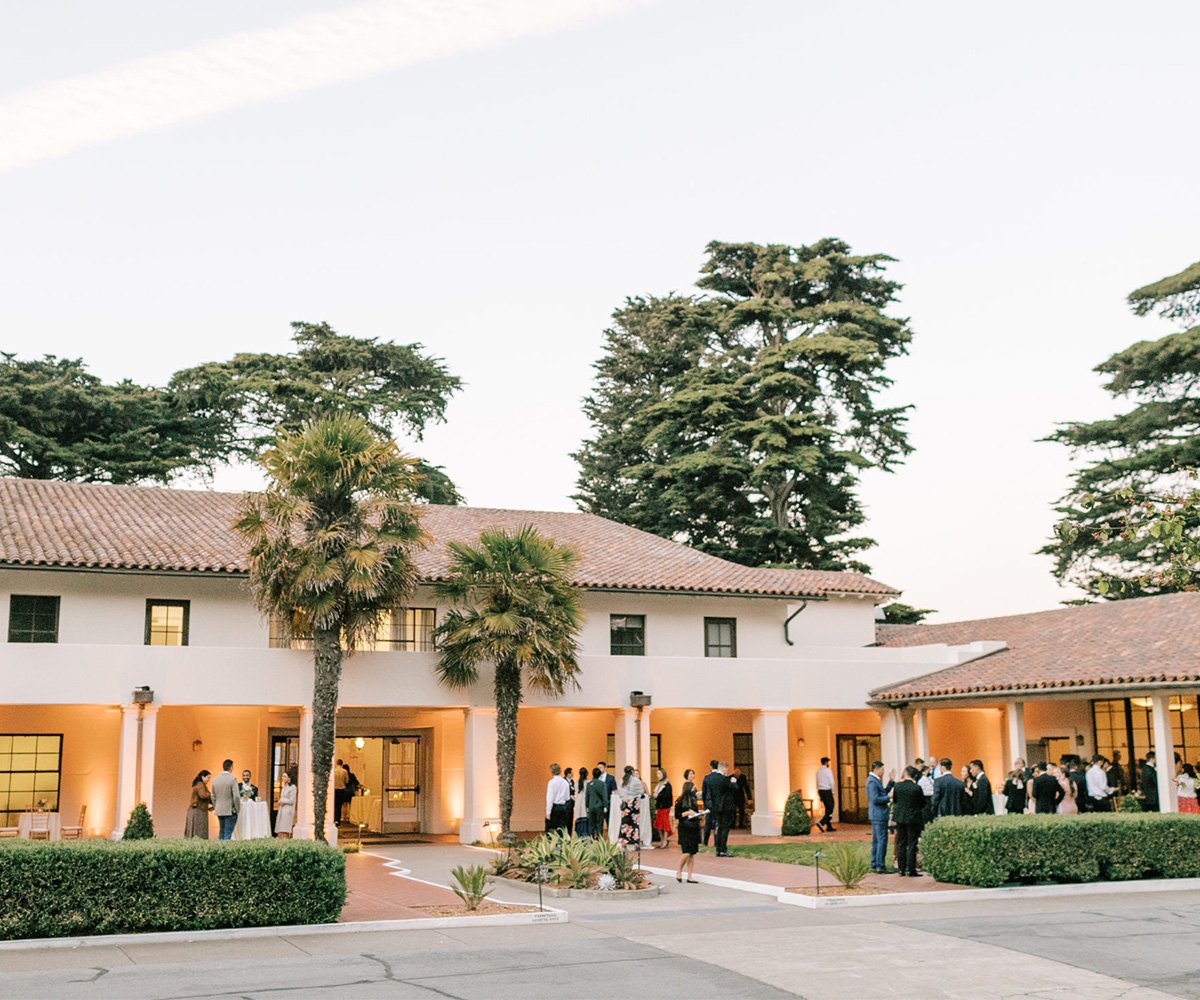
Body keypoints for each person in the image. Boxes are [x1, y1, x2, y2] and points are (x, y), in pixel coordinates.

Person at [891, 765, 927, 877]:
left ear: (905, 774)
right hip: (913, 818)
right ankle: (911, 869)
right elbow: (922, 803)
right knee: (912, 843)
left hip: (900, 817)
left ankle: (901, 869)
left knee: (901, 842)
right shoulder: (917, 788)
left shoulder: (897, 786)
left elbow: (895, 800)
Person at [866, 760, 894, 874]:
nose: (883, 772)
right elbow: (875, 799)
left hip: (877, 814)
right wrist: (889, 797)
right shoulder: (872, 781)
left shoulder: (875, 780)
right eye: (882, 769)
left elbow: (882, 792)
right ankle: (879, 865)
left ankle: (875, 863)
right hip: (879, 814)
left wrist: (891, 782)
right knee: (881, 840)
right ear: (876, 769)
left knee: (876, 840)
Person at [674, 775, 702, 883]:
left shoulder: (694, 801)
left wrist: (699, 815)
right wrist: (687, 813)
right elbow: (677, 815)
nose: (694, 790)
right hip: (685, 828)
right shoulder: (680, 801)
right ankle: (679, 871)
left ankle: (690, 876)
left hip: (694, 827)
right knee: (686, 852)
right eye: (693, 788)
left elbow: (695, 813)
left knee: (692, 853)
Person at [711, 761, 736, 857]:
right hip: (726, 807)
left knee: (719, 828)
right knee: (725, 828)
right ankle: (723, 849)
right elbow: (734, 788)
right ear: (724, 768)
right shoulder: (724, 779)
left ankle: (718, 848)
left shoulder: (713, 779)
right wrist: (733, 782)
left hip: (717, 806)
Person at [211, 759, 240, 840]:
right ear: (231, 767)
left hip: (219, 809)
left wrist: (216, 805)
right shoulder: (232, 779)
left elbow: (212, 795)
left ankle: (220, 846)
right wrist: (237, 808)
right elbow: (236, 796)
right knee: (228, 833)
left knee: (222, 831)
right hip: (230, 810)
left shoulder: (215, 779)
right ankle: (225, 847)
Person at [618, 764, 644, 849]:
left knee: (625, 822)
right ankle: (635, 841)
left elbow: (620, 792)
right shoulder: (636, 780)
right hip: (634, 803)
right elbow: (641, 791)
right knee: (635, 822)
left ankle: (623, 841)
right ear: (632, 771)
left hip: (626, 802)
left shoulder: (622, 780)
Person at [184, 770, 212, 838]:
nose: (209, 779)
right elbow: (203, 795)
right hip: (198, 811)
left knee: (193, 832)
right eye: (208, 777)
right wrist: (212, 795)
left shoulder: (197, 784)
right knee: (200, 831)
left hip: (194, 810)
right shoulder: (200, 785)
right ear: (203, 777)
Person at [545, 763, 572, 833]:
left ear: (552, 771)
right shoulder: (565, 782)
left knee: (550, 830)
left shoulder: (551, 783)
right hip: (563, 808)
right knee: (561, 830)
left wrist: (548, 812)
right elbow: (567, 797)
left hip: (554, 808)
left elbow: (550, 798)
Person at [701, 760, 722, 847]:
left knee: (708, 823)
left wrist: (705, 802)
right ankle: (717, 842)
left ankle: (705, 842)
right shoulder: (721, 778)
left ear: (711, 766)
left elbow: (704, 792)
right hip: (718, 803)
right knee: (717, 823)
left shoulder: (707, 778)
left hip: (709, 803)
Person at [652, 767, 673, 848]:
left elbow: (667, 796)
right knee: (658, 824)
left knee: (664, 823)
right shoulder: (659, 784)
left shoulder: (667, 785)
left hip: (665, 806)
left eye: (659, 773)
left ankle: (665, 840)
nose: (658, 775)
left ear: (663, 774)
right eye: (657, 773)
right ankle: (662, 839)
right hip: (659, 807)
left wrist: (658, 795)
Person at [586, 767, 608, 839]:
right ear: (600, 775)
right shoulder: (602, 784)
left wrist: (587, 806)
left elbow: (587, 796)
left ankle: (591, 838)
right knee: (599, 824)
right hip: (599, 806)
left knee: (591, 824)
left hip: (591, 806)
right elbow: (604, 796)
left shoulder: (589, 784)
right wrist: (605, 806)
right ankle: (599, 839)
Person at [815, 756, 836, 832]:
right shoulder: (828, 771)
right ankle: (821, 823)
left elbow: (817, 782)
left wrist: (818, 792)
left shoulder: (818, 771)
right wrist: (833, 791)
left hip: (821, 791)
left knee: (827, 809)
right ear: (826, 763)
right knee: (831, 807)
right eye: (828, 762)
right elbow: (832, 782)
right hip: (827, 791)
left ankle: (829, 826)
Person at [596, 761, 617, 833]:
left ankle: (610, 836)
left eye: (600, 767)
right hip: (598, 803)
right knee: (599, 822)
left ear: (605, 768)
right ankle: (599, 837)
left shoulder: (610, 778)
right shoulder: (596, 778)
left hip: (608, 803)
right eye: (598, 768)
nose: (599, 769)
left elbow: (614, 790)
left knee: (609, 821)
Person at [275, 770, 296, 837]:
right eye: (282, 776)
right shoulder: (284, 787)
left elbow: (291, 801)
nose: (282, 778)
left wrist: (282, 800)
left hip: (288, 811)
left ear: (289, 778)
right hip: (282, 809)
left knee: (285, 829)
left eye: (284, 776)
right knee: (280, 829)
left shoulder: (293, 787)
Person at [574, 766, 590, 836]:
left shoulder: (576, 783)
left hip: (578, 803)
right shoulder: (588, 783)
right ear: (587, 774)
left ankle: (578, 834)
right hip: (585, 803)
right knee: (585, 818)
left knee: (579, 818)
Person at [333, 758, 348, 823]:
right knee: (339, 805)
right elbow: (347, 781)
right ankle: (338, 820)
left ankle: (334, 819)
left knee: (334, 805)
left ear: (337, 763)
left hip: (334, 789)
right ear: (342, 764)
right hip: (341, 789)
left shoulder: (334, 771)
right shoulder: (344, 771)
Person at [563, 768, 576, 833]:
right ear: (568, 774)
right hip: (565, 805)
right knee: (565, 822)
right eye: (571, 773)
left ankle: (569, 834)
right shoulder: (563, 781)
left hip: (571, 805)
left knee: (570, 821)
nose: (573, 774)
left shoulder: (572, 782)